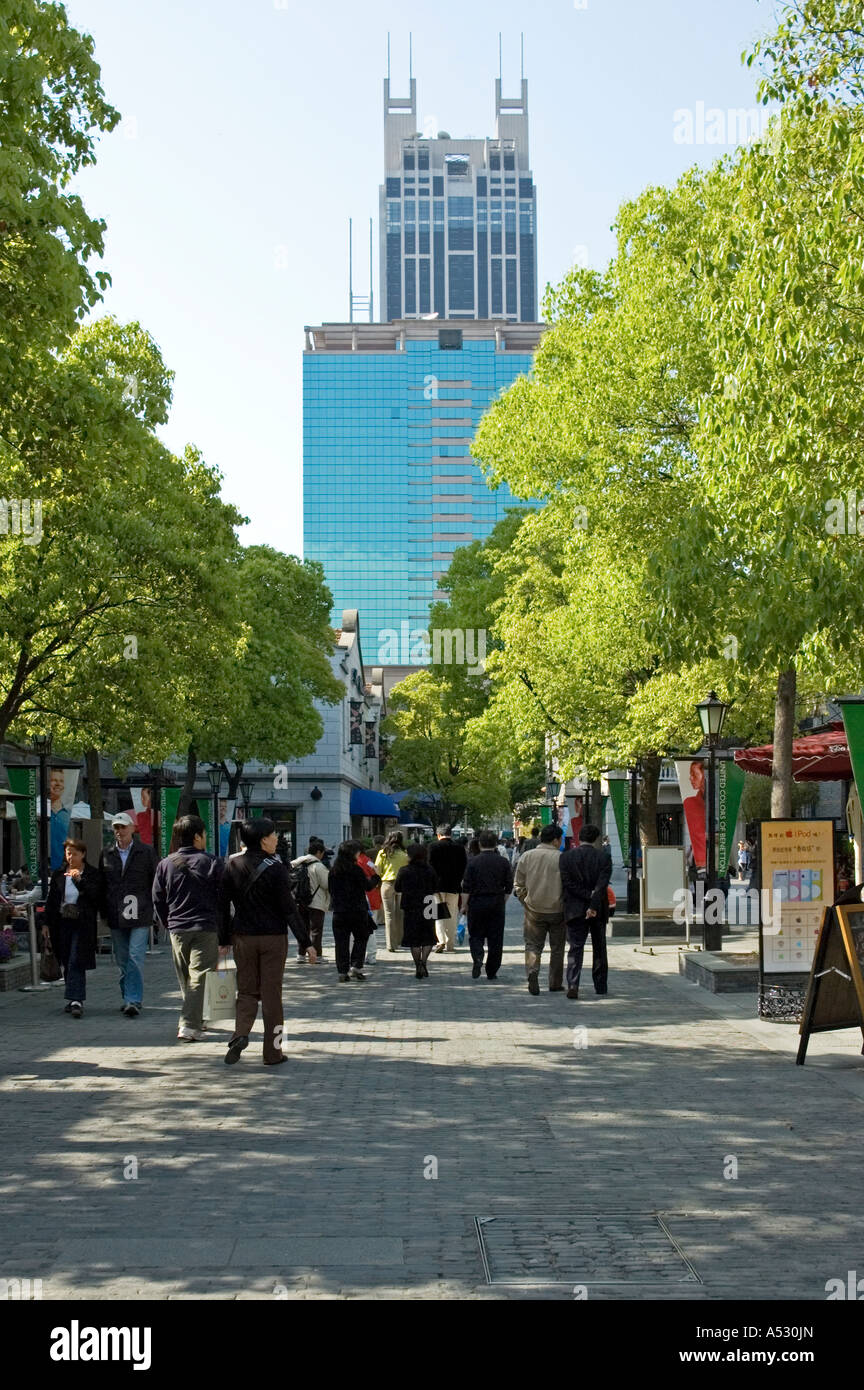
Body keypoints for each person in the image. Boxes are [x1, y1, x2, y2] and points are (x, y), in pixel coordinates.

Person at [218, 817, 315, 1067]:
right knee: (272, 995)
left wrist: (223, 938)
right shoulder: (276, 868)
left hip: (242, 937)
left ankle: (240, 1034)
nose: (277, 839)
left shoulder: (231, 865)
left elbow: (221, 906)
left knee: (247, 991)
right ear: (263, 840)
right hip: (273, 938)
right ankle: (273, 1052)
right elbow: (289, 909)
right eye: (273, 835)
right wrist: (306, 941)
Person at [152, 814, 224, 1042]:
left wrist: (167, 921)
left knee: (187, 978)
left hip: (177, 927)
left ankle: (196, 1019)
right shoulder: (212, 862)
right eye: (204, 834)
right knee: (199, 976)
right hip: (205, 927)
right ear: (197, 836)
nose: (205, 838)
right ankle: (189, 1025)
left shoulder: (165, 864)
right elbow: (223, 897)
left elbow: (157, 897)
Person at [99, 812, 157, 1017]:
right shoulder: (106, 853)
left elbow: (155, 881)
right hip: (116, 914)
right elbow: (102, 885)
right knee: (123, 959)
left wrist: (154, 907)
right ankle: (127, 996)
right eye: (116, 827)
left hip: (140, 913)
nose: (119, 831)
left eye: (123, 827)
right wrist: (103, 911)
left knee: (134, 955)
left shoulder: (146, 852)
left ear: (133, 829)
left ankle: (133, 1000)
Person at [43, 839, 100, 1018]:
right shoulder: (60, 873)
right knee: (66, 959)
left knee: (77, 958)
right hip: (62, 922)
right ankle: (72, 997)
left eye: (75, 853)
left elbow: (95, 897)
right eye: (68, 853)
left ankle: (76, 999)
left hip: (82, 923)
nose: (71, 857)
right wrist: (45, 923)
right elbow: (52, 900)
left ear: (83, 854)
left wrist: (79, 881)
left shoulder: (92, 874)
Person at [559, 823, 611, 999]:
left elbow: (568, 884)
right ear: (596, 838)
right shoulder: (603, 857)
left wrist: (585, 896)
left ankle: (573, 983)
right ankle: (600, 985)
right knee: (599, 947)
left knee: (575, 947)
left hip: (574, 908)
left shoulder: (566, 858)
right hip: (598, 909)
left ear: (578, 837)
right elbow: (602, 885)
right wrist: (593, 905)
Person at [514, 823, 566, 995]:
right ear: (555, 840)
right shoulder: (562, 858)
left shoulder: (527, 856)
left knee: (533, 945)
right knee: (557, 948)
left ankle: (532, 971)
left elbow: (518, 883)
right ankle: (555, 982)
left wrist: (524, 900)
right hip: (557, 909)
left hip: (533, 908)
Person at [461, 829, 514, 981]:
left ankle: (478, 956)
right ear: (496, 844)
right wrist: (502, 900)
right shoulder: (503, 862)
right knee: (495, 938)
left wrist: (464, 905)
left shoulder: (473, 862)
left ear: (479, 843)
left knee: (475, 934)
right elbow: (509, 885)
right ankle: (492, 970)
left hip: (476, 902)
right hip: (496, 903)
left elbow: (466, 887)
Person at [328, 841, 380, 981]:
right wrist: (376, 877)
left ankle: (342, 971)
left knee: (341, 942)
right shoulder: (355, 870)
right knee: (361, 938)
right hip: (357, 910)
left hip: (339, 911)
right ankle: (356, 966)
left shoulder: (334, 870)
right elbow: (367, 886)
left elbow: (331, 890)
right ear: (352, 854)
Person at [394, 842, 440, 978]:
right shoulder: (430, 870)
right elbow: (435, 887)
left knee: (414, 938)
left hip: (410, 905)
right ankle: (424, 963)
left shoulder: (404, 870)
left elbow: (397, 888)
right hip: (428, 904)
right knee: (428, 936)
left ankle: (417, 964)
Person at [428, 823, 467, 952]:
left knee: (438, 914)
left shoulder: (432, 847)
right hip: (454, 886)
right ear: (451, 834)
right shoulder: (460, 848)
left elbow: (429, 867)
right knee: (452, 914)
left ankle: (441, 941)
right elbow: (463, 867)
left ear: (438, 835)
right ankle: (450, 944)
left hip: (436, 887)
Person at [290, 838, 330, 962]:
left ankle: (301, 955)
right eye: (322, 853)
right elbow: (327, 884)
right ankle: (316, 955)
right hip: (316, 902)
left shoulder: (295, 864)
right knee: (316, 930)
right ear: (318, 852)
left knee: (303, 929)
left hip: (299, 901)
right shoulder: (319, 866)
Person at [375, 830, 409, 951]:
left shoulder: (383, 853)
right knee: (400, 913)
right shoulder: (405, 854)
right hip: (402, 885)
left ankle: (390, 944)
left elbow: (377, 870)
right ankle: (400, 940)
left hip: (387, 884)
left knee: (388, 914)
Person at [357, 842, 382, 966]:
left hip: (362, 898)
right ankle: (371, 955)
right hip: (372, 897)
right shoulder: (368, 861)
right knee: (370, 928)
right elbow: (377, 873)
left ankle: (360, 955)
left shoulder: (354, 862)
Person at [49, 768, 70, 871]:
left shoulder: (68, 814)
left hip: (64, 867)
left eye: (61, 781)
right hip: (46, 866)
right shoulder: (41, 812)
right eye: (54, 780)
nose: (58, 784)